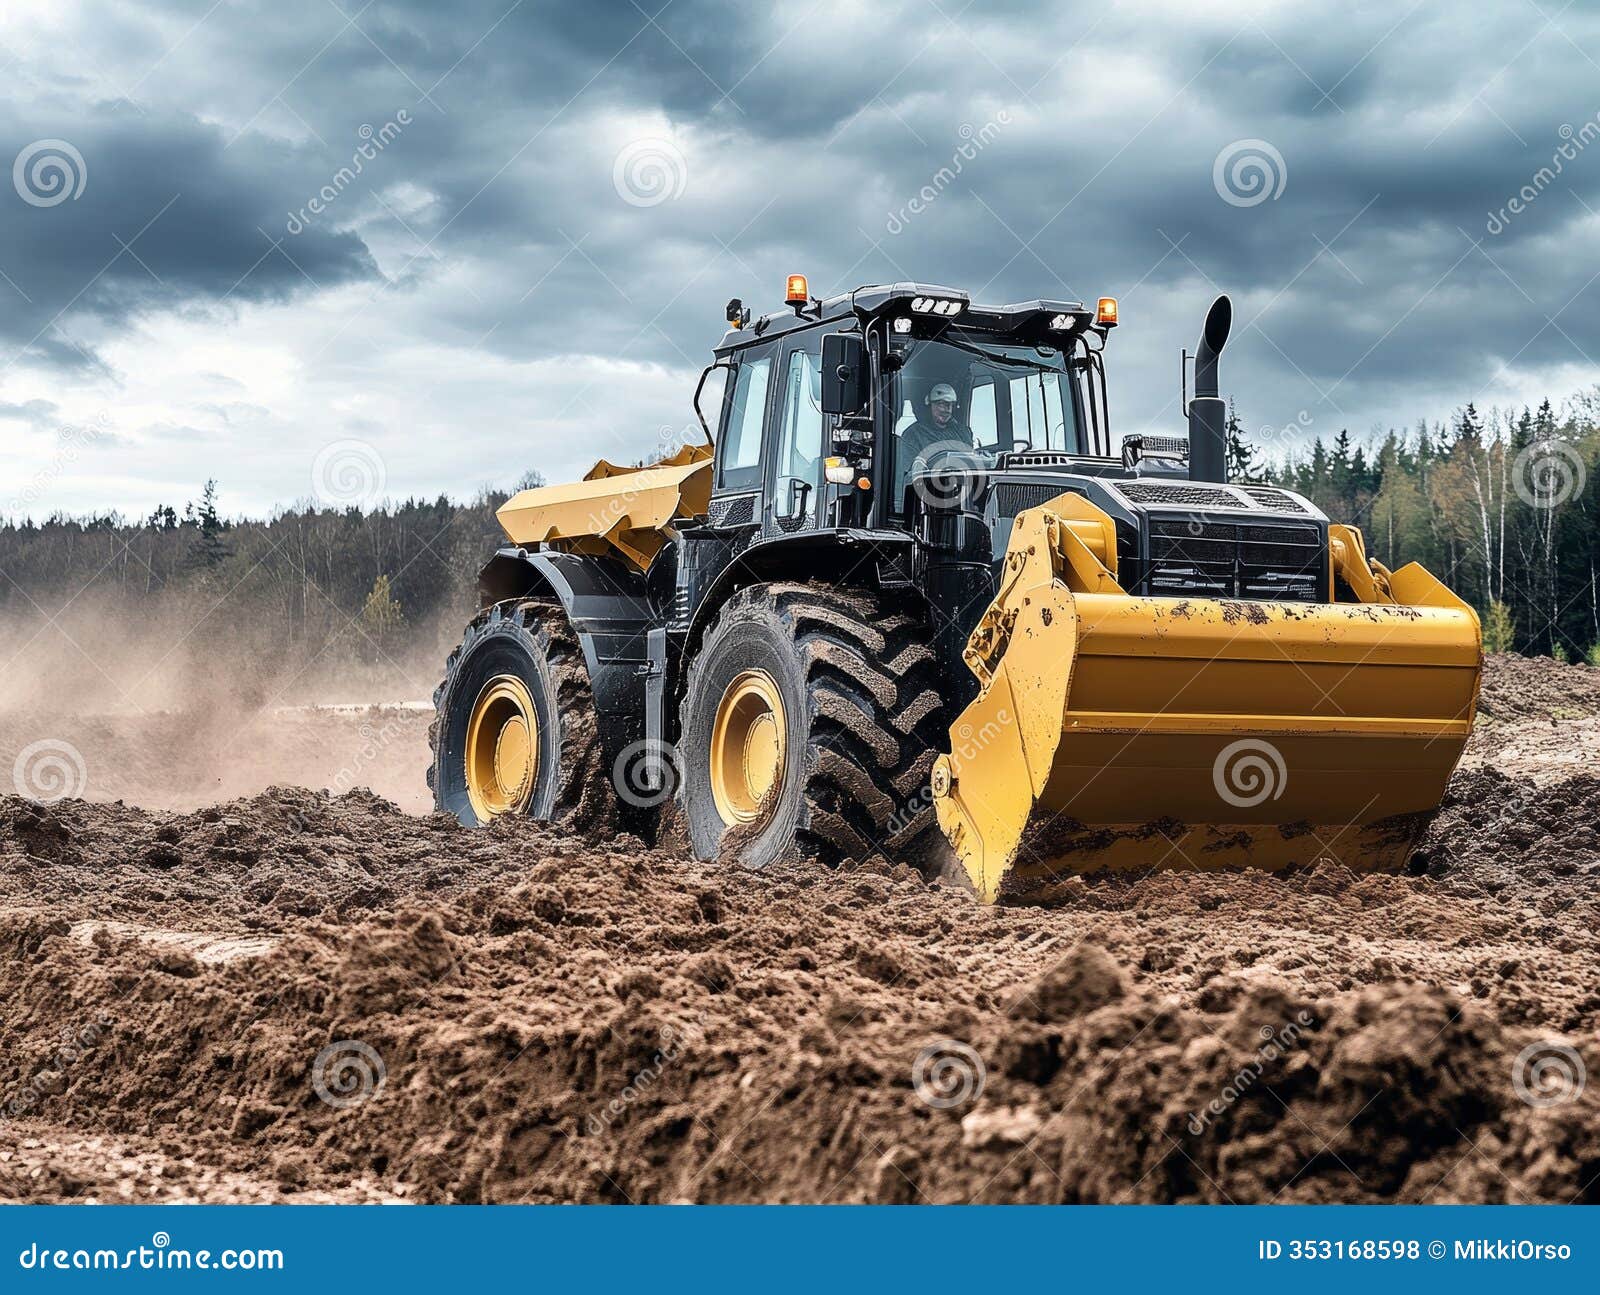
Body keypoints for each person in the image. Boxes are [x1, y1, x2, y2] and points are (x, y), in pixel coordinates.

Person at [897, 382, 972, 486]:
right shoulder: (913, 435)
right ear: (929, 404)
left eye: (951, 405)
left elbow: (972, 463)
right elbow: (909, 477)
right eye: (942, 404)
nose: (948, 410)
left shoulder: (963, 432)